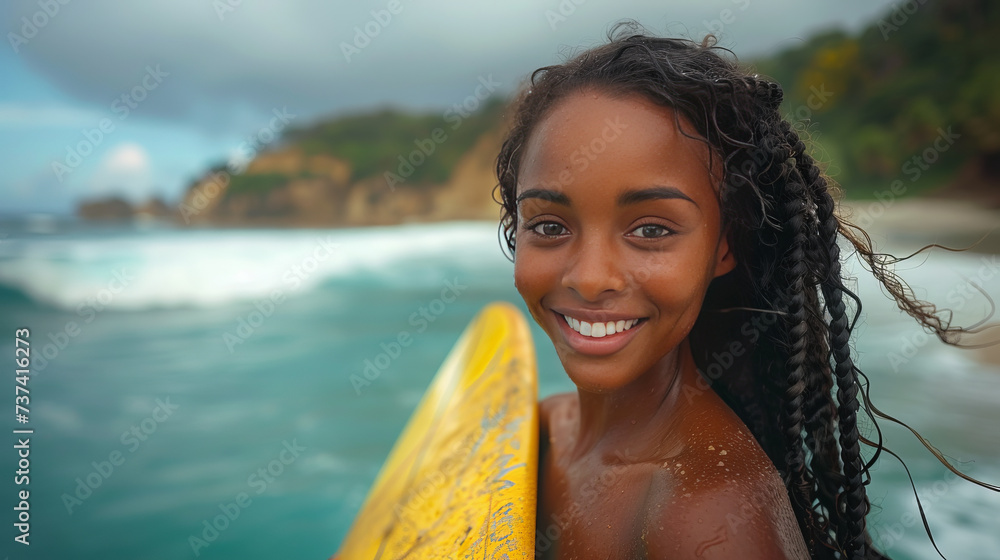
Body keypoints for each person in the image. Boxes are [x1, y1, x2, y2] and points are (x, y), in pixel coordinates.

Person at [493, 22, 996, 559]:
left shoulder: (710, 514)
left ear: (723, 247)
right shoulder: (544, 429)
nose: (590, 278)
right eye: (549, 226)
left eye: (651, 230)